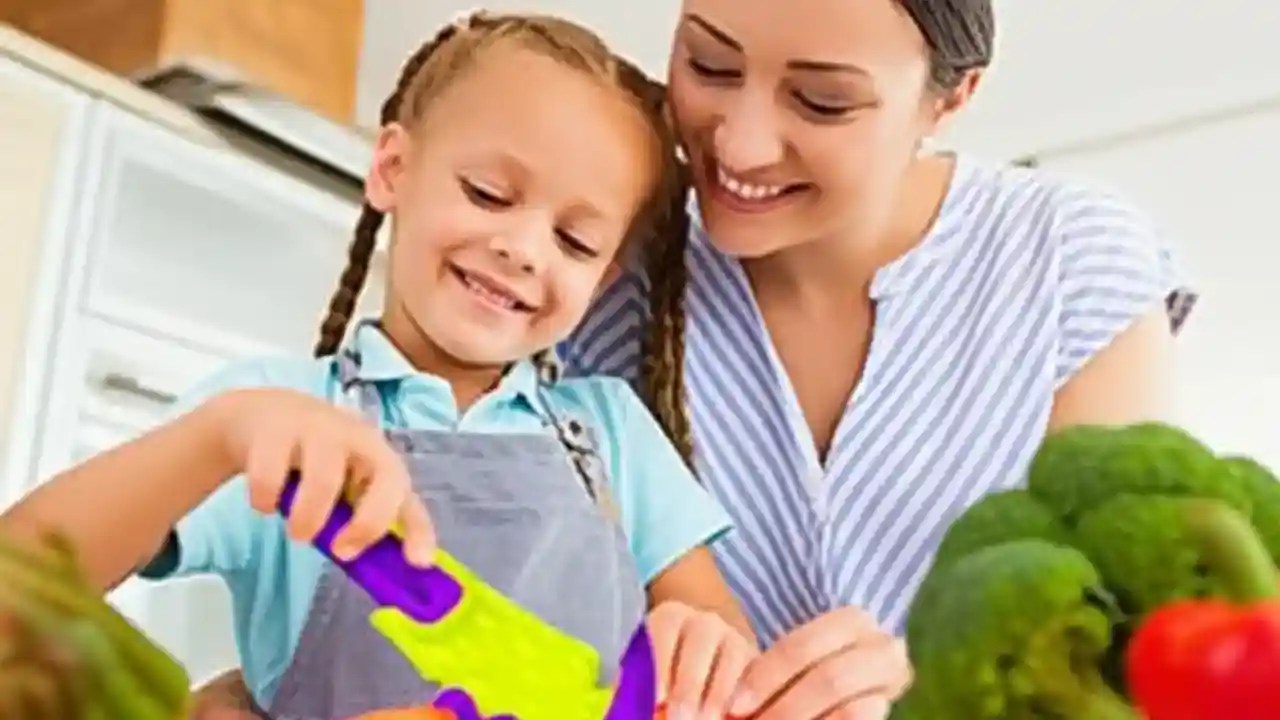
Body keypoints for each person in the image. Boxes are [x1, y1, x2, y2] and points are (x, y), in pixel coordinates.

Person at [0, 12, 761, 720]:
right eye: (487, 193)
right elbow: (21, 588)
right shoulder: (278, 417)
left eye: (575, 243)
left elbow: (718, 646)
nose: (524, 250)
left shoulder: (615, 434)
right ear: (393, 167)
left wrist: (704, 655)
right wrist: (220, 437)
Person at [563, 0, 1194, 717]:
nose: (739, 145)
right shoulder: (599, 263)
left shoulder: (1065, 258)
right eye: (709, 63)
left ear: (951, 97)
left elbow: (1139, 639)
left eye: (822, 102)